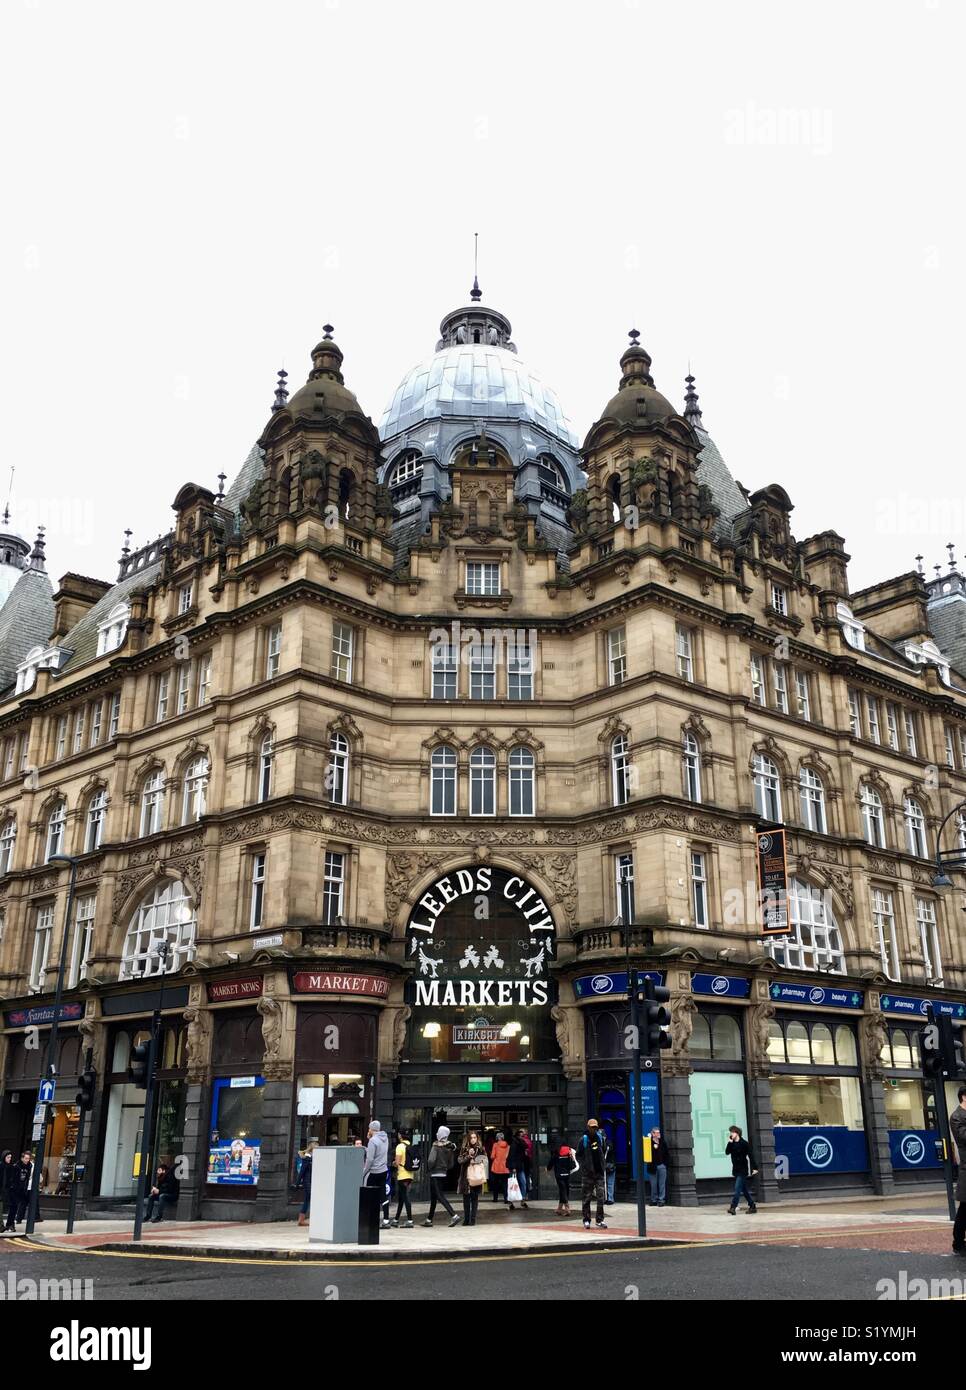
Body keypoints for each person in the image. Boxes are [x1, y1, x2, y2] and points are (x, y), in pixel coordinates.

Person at [422, 1125, 460, 1227]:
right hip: (443, 1173)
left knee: (439, 1196)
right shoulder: (450, 1147)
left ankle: (454, 1215)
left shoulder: (436, 1145)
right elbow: (451, 1164)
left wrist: (429, 1167)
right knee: (434, 1196)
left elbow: (431, 1160)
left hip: (435, 1173)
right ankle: (429, 1219)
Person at [576, 1118, 608, 1230]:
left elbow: (603, 1151)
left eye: (596, 1127)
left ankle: (600, 1220)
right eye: (592, 1127)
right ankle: (586, 1220)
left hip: (599, 1172)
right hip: (588, 1174)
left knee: (600, 1197)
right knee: (586, 1198)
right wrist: (585, 1166)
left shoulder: (600, 1138)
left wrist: (602, 1165)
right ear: (588, 1127)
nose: (594, 1129)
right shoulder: (583, 1140)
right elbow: (578, 1155)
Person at [362, 1119, 391, 1228]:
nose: (368, 1130)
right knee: (383, 1195)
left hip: (374, 1171)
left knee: (370, 1195)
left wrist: (364, 1172)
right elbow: (381, 1152)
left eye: (369, 1128)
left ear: (371, 1129)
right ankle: (386, 1220)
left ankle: (370, 1219)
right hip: (383, 1170)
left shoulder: (373, 1141)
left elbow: (370, 1159)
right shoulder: (385, 1138)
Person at [725, 1125, 758, 1214]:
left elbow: (751, 1156)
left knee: (737, 1189)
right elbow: (727, 1152)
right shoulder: (732, 1144)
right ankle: (752, 1206)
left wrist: (755, 1168)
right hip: (736, 1169)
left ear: (737, 1133)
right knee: (744, 1190)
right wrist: (729, 1143)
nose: (731, 1134)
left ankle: (733, 1207)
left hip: (743, 1170)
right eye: (730, 1133)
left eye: (732, 1132)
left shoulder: (744, 1143)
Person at [457, 1130, 487, 1226]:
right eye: (471, 1138)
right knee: (466, 1199)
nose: (473, 1140)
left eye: (475, 1137)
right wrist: (468, 1156)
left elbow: (485, 1159)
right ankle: (466, 1219)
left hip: (477, 1176)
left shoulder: (481, 1148)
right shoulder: (464, 1149)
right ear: (468, 1139)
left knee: (475, 1199)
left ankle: (473, 1220)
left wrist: (477, 1160)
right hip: (466, 1177)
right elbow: (459, 1160)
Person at [950, 1085, 966, 1254]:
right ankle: (958, 1242)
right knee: (965, 1208)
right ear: (964, 1097)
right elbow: (963, 1136)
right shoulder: (957, 1117)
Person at [390, 1127, 415, 1229]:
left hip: (402, 1175)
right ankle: (396, 1219)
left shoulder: (400, 1146)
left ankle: (410, 1220)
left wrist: (393, 1163)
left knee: (405, 1197)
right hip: (410, 1175)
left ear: (400, 1135)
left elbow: (397, 1162)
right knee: (402, 1198)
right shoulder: (410, 1145)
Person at [547, 1133, 575, 1216]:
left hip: (559, 1173)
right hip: (567, 1173)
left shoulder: (556, 1151)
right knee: (565, 1189)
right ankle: (559, 1208)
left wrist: (548, 1168)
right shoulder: (568, 1150)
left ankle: (567, 1208)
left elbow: (552, 1161)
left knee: (562, 1190)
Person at [507, 1129, 530, 1210]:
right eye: (522, 1135)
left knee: (522, 1182)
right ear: (518, 1135)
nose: (523, 1136)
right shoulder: (515, 1143)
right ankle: (511, 1201)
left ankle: (522, 1200)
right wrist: (513, 1167)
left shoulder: (521, 1143)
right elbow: (512, 1155)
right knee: (514, 1183)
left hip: (520, 1166)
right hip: (515, 1167)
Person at [646, 1127, 670, 1206]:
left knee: (662, 1184)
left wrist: (665, 1164)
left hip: (661, 1166)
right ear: (653, 1134)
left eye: (659, 1132)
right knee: (653, 1184)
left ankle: (661, 1200)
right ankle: (654, 1199)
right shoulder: (649, 1143)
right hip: (652, 1167)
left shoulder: (662, 1142)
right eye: (656, 1133)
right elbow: (647, 1155)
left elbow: (667, 1154)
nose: (658, 1134)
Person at [296, 1142, 318, 1227]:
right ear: (312, 1150)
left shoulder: (311, 1158)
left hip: (310, 1181)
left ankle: (301, 1220)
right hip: (307, 1182)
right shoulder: (307, 1158)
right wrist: (297, 1184)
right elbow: (302, 1171)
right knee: (312, 1199)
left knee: (307, 1200)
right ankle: (303, 1220)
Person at [489, 1130, 510, 1205]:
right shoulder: (508, 1146)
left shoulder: (495, 1145)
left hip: (496, 1167)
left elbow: (492, 1156)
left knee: (496, 1184)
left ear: (497, 1138)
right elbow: (508, 1156)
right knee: (505, 1184)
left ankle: (495, 1199)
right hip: (505, 1167)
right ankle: (506, 1199)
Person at [0, 1151, 16, 1233]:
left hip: (6, 1191)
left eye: (10, 1157)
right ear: (4, 1157)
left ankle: (4, 1225)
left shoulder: (10, 1167)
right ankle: (1, 1226)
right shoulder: (1, 1166)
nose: (10, 1159)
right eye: (8, 1157)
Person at [603, 1125, 617, 1204]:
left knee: (610, 1183)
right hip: (605, 1165)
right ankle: (606, 1198)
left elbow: (608, 1151)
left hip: (610, 1165)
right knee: (604, 1183)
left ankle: (610, 1198)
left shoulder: (608, 1143)